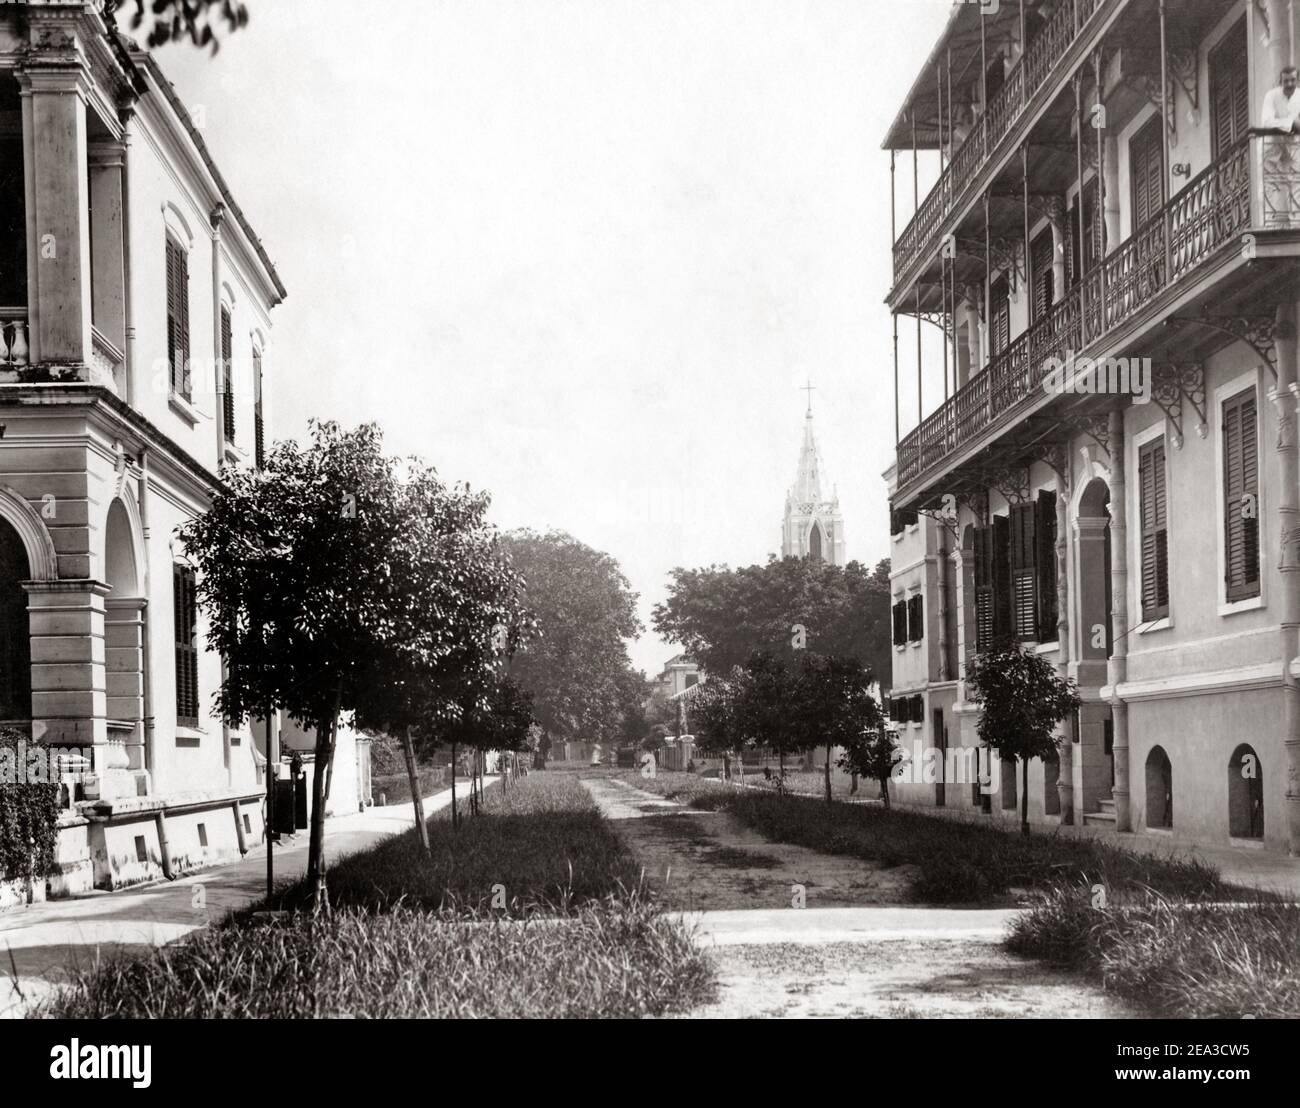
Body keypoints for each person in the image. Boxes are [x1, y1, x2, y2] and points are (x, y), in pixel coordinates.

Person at [1262, 66, 1300, 132]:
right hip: (1273, 140)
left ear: (1298, 81)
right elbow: (1266, 122)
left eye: (1293, 80)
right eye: (1286, 81)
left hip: (1296, 140)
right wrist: (1291, 123)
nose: (1289, 84)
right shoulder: (1271, 95)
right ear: (1280, 82)